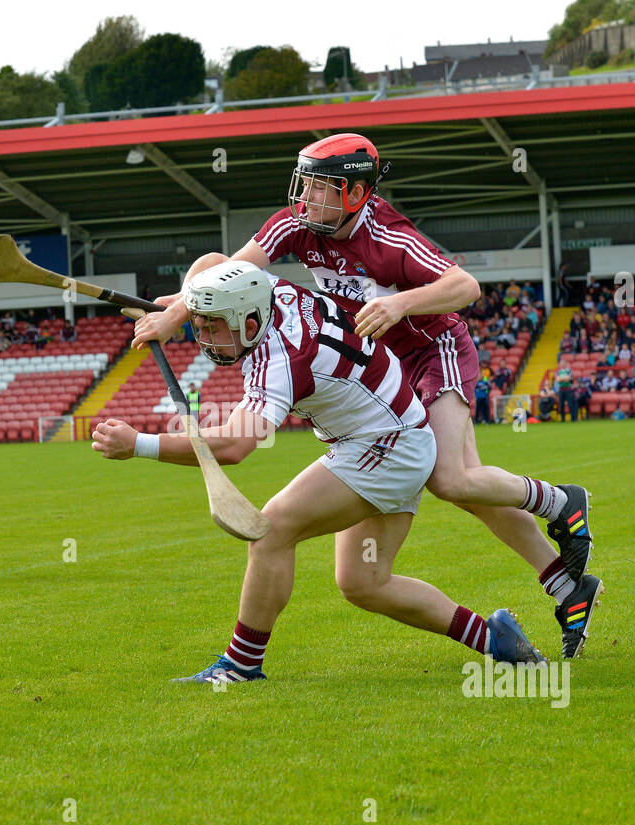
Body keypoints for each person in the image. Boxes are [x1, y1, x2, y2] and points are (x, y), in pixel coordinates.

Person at [131, 133, 600, 658]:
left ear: (355, 193)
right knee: (459, 488)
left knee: (453, 478)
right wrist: (173, 316)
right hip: (381, 365)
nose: (306, 197)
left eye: (321, 187)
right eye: (304, 184)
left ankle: (560, 501)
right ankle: (564, 583)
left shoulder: (389, 238)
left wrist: (402, 306)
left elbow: (465, 287)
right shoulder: (296, 224)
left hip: (429, 348)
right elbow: (228, 269)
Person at [93, 259, 548, 684]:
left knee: (272, 529)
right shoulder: (262, 289)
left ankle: (241, 664)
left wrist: (139, 445)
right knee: (364, 583)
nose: (205, 339)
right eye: (201, 326)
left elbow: (234, 445)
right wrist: (178, 308)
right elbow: (215, 260)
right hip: (395, 434)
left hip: (385, 447)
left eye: (215, 328)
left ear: (250, 323)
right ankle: (494, 639)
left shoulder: (281, 360)